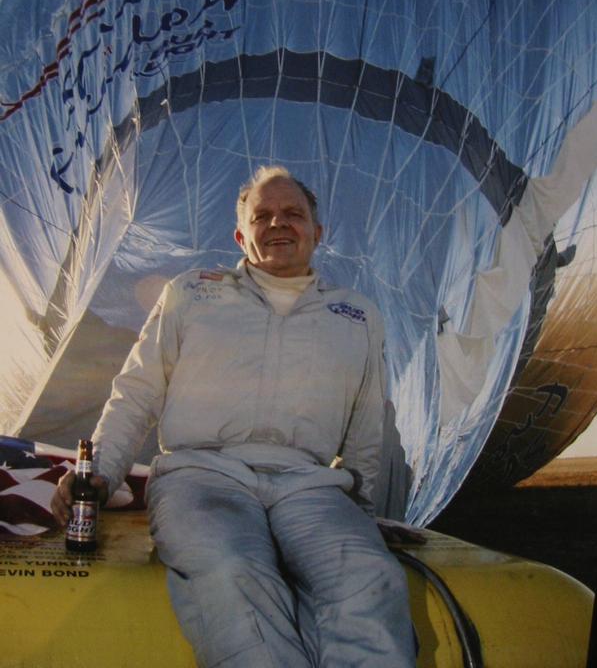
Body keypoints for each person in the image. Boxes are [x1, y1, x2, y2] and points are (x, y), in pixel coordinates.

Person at [52, 165, 416, 667]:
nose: (278, 224)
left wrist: (365, 511)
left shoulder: (355, 315)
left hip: (307, 485)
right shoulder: (191, 293)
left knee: (367, 577)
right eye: (262, 216)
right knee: (233, 570)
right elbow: (137, 390)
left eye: (293, 214)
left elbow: (365, 424)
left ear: (318, 232)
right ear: (240, 236)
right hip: (202, 477)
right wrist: (102, 473)